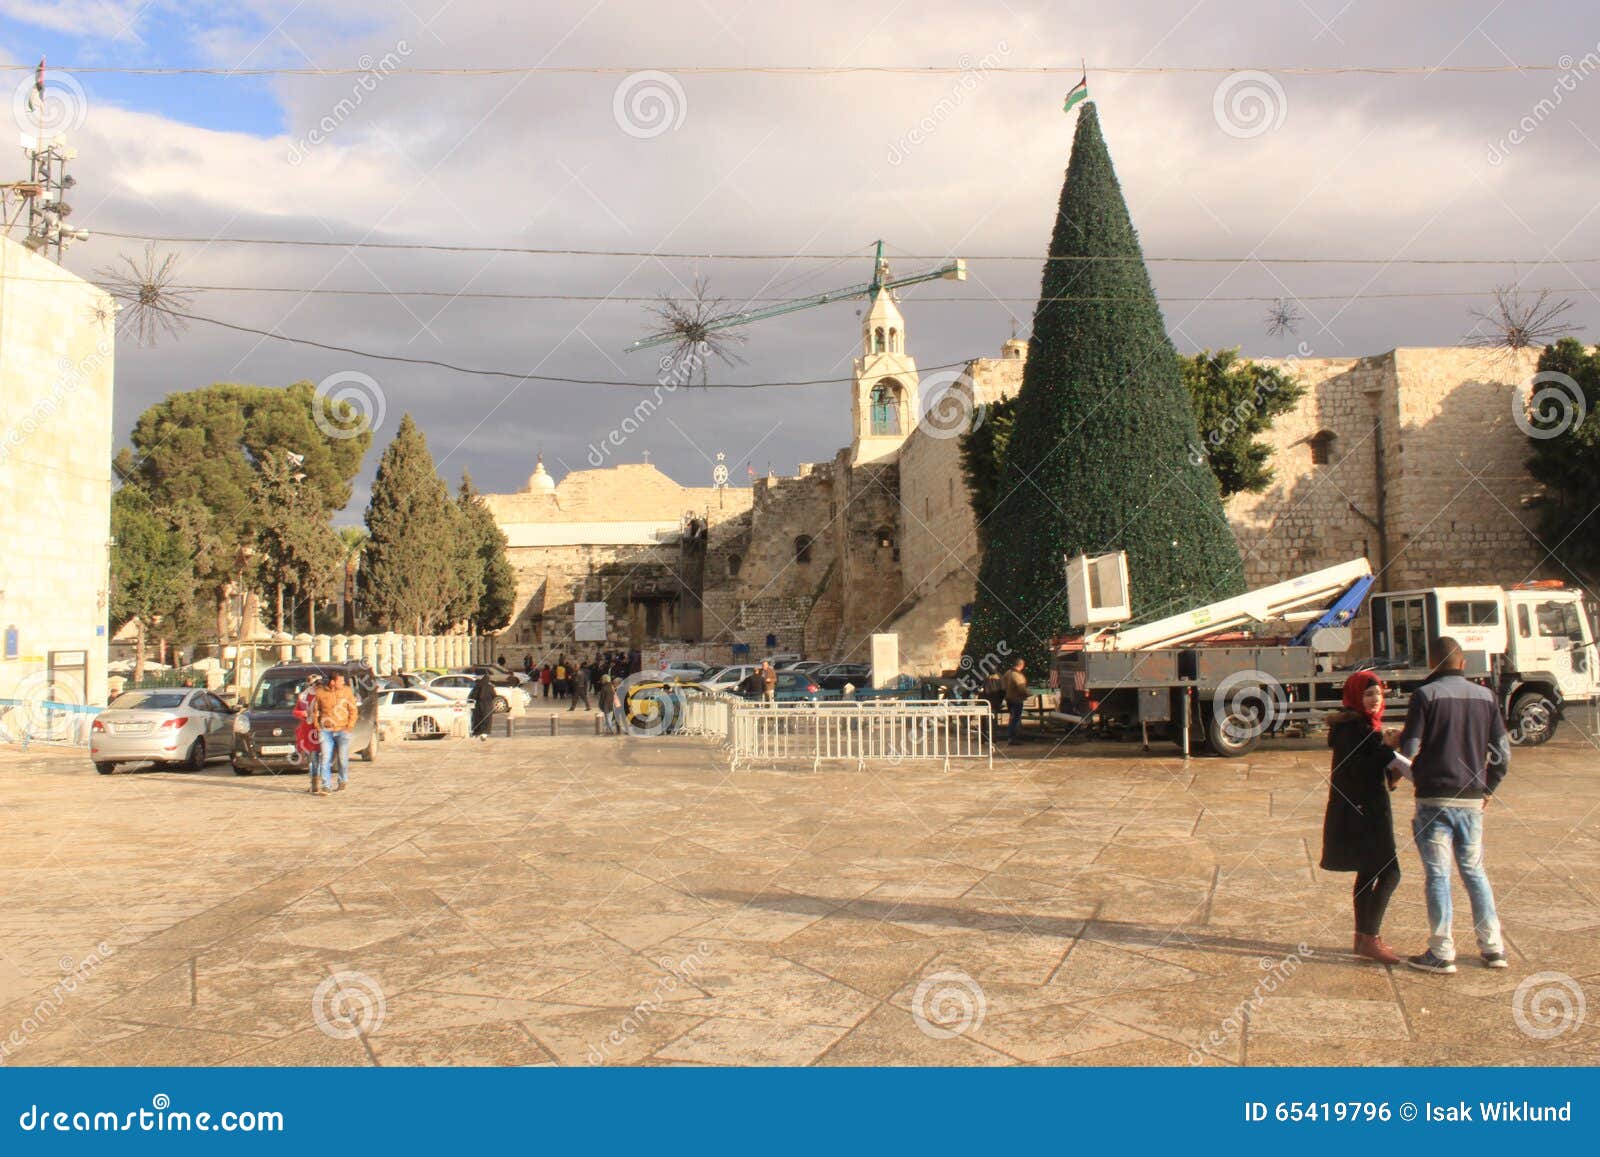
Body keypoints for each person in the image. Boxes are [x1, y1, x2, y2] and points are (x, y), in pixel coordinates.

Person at [1398, 636, 1511, 974]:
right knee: (1475, 871)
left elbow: (1411, 748)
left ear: (1433, 662)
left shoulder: (1425, 696)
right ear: (1463, 664)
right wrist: (1487, 788)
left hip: (1434, 797)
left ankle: (1442, 950)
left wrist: (1396, 762)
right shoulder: (1486, 698)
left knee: (1437, 874)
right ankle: (1493, 947)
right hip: (1471, 798)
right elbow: (1503, 755)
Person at [1320, 671, 1405, 964]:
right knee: (1391, 872)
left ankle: (1363, 937)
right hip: (1365, 814)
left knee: (1368, 872)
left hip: (1363, 810)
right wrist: (1389, 748)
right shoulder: (1353, 730)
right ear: (1356, 696)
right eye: (1368, 695)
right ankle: (1370, 937)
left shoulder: (1363, 727)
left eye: (1378, 694)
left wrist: (1391, 772)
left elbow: (1369, 767)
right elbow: (1360, 769)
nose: (1374, 700)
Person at [309, 672, 359, 795]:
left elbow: (353, 709)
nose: (342, 683)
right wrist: (317, 726)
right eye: (340, 681)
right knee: (325, 758)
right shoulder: (321, 692)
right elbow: (315, 710)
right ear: (332, 682)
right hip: (326, 731)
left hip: (342, 730)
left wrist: (349, 727)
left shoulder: (346, 691)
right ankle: (326, 785)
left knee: (342, 759)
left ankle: (342, 780)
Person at [293, 675, 323, 795]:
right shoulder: (303, 696)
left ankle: (319, 783)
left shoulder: (324, 695)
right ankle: (314, 783)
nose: (315, 686)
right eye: (313, 683)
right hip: (307, 730)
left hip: (320, 729)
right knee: (312, 757)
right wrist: (303, 713)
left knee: (319, 757)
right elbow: (295, 711)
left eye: (317, 683)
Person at [1001, 658, 1028, 745]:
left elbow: (1003, 686)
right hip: (1017, 699)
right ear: (1021, 665)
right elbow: (1021, 687)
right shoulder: (1017, 675)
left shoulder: (1007, 673)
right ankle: (1013, 738)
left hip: (1009, 698)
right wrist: (1027, 694)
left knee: (1012, 718)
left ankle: (1011, 737)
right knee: (1016, 719)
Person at [468, 671, 496, 741]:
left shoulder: (477, 686)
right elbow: (494, 695)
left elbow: (472, 696)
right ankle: (484, 734)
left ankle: (476, 733)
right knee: (486, 720)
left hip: (478, 706)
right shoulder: (490, 687)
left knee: (477, 719)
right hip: (488, 706)